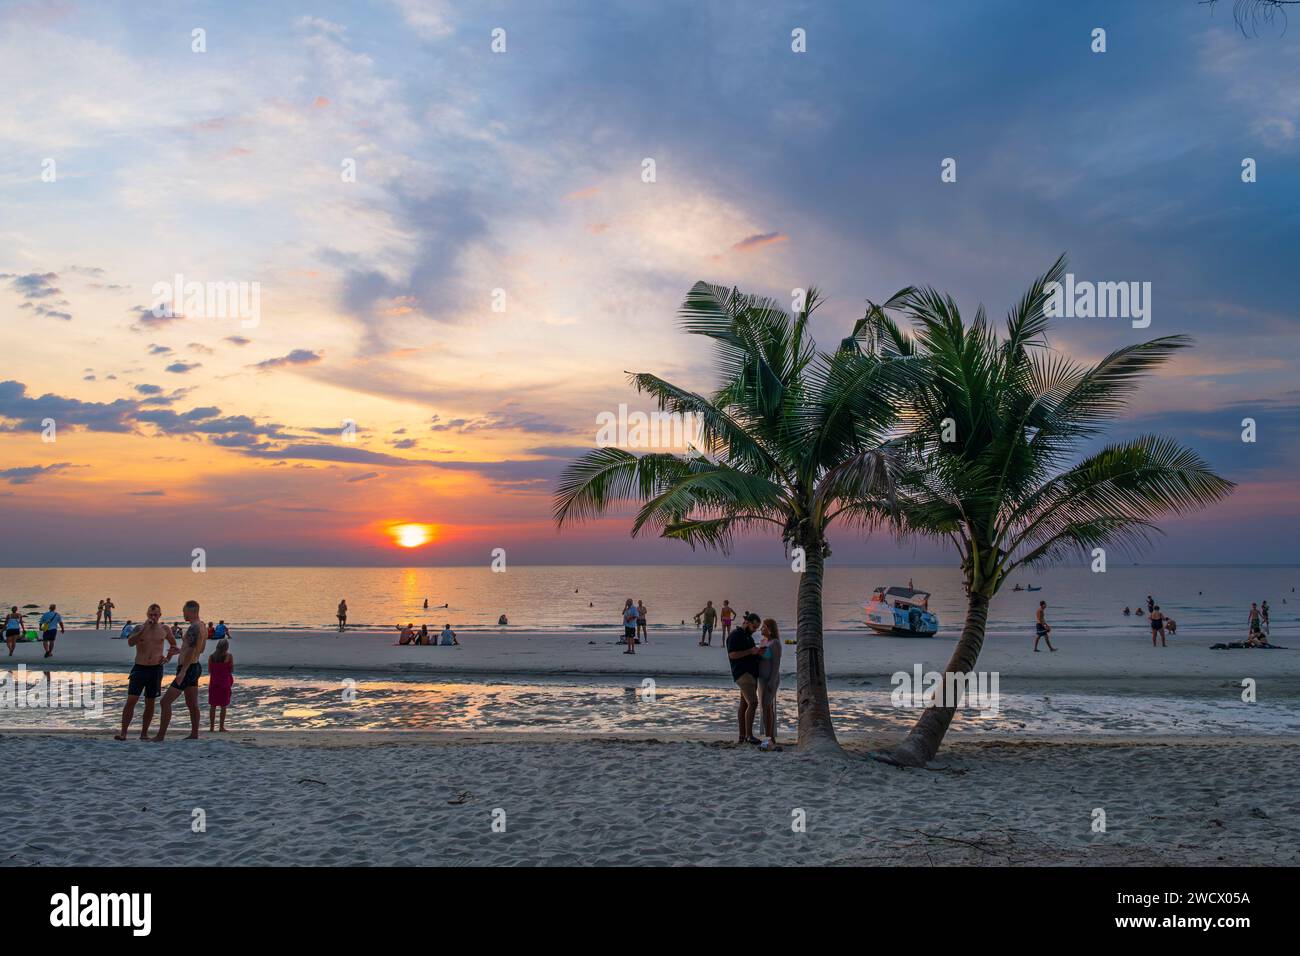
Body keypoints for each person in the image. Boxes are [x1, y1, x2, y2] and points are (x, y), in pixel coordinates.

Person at [116, 604, 178, 741]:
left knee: (150, 702)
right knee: (131, 700)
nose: (153, 617)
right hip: (140, 668)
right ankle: (123, 733)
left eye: (156, 615)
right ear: (147, 614)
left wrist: (167, 658)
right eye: (151, 614)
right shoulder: (139, 628)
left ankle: (144, 733)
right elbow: (130, 643)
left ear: (160, 615)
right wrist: (142, 631)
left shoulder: (164, 629)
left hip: (155, 669)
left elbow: (174, 645)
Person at [152, 599, 207, 742]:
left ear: (190, 611)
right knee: (192, 703)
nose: (183, 614)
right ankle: (194, 734)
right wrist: (180, 650)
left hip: (187, 669)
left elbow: (194, 649)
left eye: (184, 611)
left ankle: (160, 736)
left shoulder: (194, 628)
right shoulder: (202, 626)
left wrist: (183, 671)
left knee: (165, 702)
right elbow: (199, 649)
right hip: (195, 667)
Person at [727, 613, 763, 745]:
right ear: (746, 622)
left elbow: (752, 652)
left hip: (751, 673)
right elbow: (732, 655)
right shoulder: (735, 635)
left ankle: (742, 736)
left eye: (757, 628)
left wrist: (759, 652)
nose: (755, 630)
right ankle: (749, 735)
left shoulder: (748, 636)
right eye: (754, 626)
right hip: (743, 673)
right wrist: (750, 651)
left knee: (744, 704)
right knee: (753, 703)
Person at [757, 618, 782, 751]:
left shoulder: (775, 643)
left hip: (770, 679)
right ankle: (769, 736)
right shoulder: (764, 641)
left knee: (767, 706)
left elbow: (776, 665)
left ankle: (770, 737)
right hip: (761, 679)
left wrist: (772, 681)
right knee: (765, 707)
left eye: (764, 627)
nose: (761, 629)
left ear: (770, 629)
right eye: (761, 627)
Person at [207, 638, 234, 732]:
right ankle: (221, 727)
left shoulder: (211, 657)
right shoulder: (229, 656)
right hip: (224, 683)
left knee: (213, 705)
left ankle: (211, 727)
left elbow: (210, 670)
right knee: (223, 706)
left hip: (214, 682)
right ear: (226, 647)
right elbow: (231, 670)